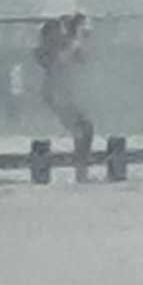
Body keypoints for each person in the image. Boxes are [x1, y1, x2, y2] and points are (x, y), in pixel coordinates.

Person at [35, 11, 95, 178]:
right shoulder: (44, 51)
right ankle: (81, 170)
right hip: (55, 94)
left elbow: (80, 59)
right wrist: (74, 36)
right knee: (81, 129)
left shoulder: (62, 45)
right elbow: (60, 60)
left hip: (63, 93)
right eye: (55, 33)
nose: (59, 35)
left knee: (85, 129)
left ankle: (81, 169)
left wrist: (76, 32)